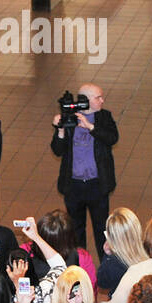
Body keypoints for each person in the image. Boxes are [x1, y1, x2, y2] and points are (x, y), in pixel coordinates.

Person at [50, 82, 117, 257]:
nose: (102, 100)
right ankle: (80, 265)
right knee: (76, 231)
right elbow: (57, 149)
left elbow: (112, 138)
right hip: (74, 186)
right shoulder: (69, 119)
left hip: (97, 185)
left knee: (102, 229)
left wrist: (91, 127)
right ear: (85, 100)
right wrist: (60, 131)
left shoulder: (105, 117)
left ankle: (106, 265)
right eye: (98, 97)